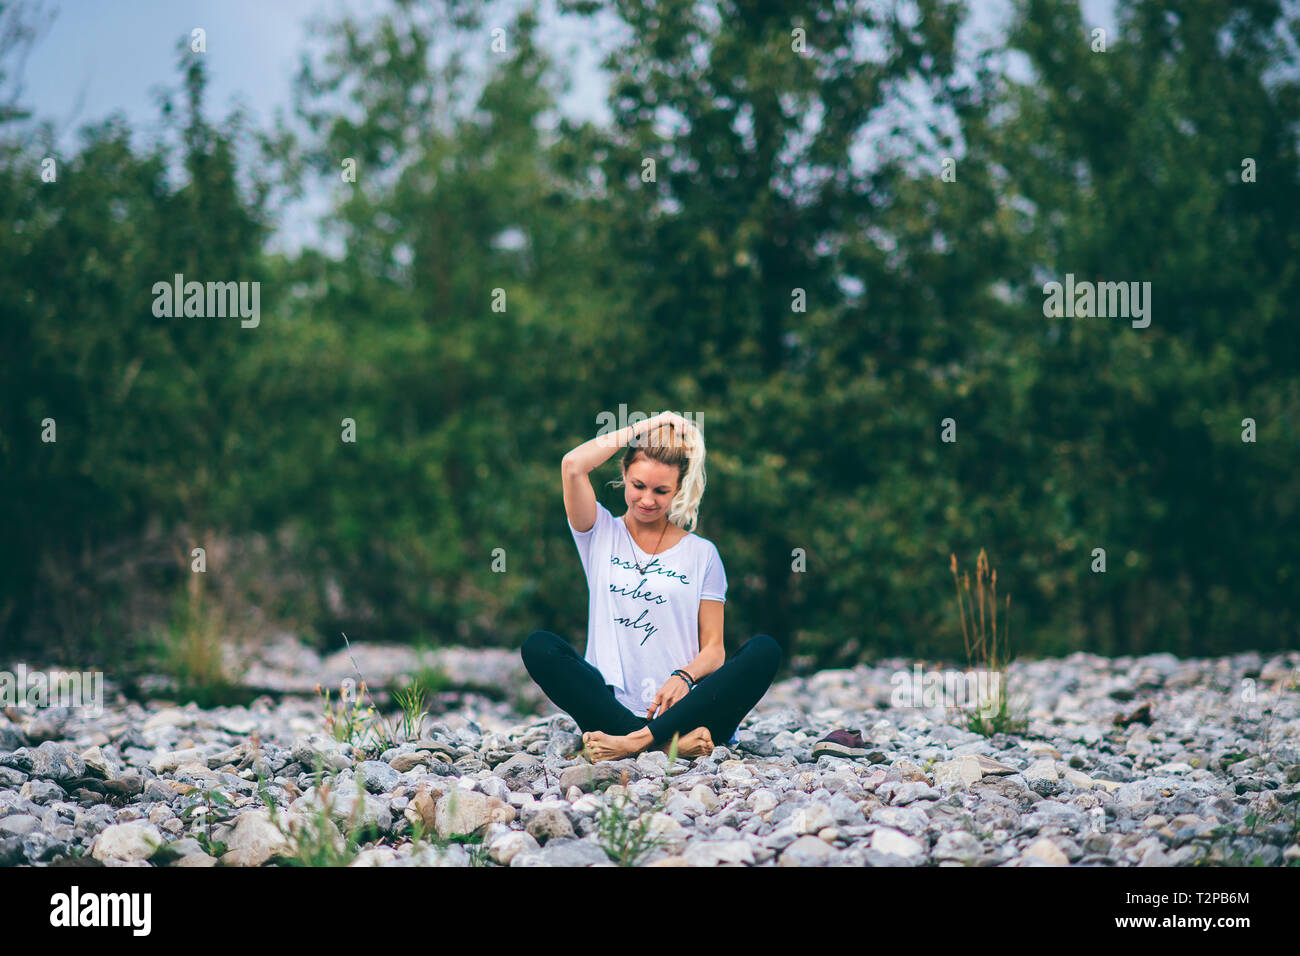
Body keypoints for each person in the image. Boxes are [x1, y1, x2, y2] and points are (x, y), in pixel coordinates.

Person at [521, 409, 783, 761]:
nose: (647, 500)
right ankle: (663, 746)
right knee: (539, 646)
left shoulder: (702, 554)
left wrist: (685, 677)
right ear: (624, 475)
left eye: (661, 491)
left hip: (689, 712)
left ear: (678, 488)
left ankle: (634, 743)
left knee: (765, 650)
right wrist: (646, 426)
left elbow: (714, 651)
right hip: (612, 710)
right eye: (638, 486)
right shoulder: (599, 533)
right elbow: (572, 465)